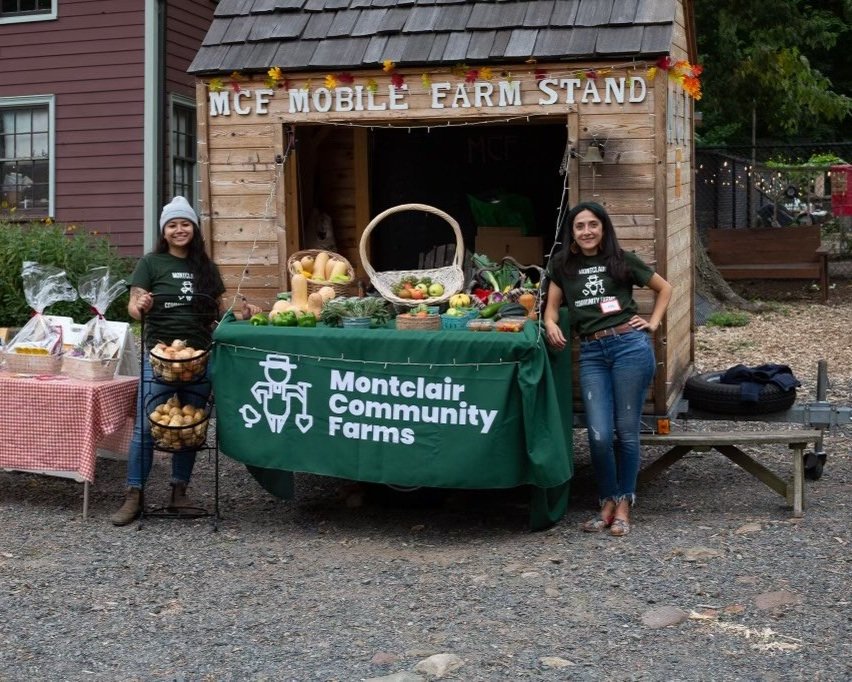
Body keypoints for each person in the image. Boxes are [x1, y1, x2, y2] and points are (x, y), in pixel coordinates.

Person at [111, 196, 261, 526]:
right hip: (160, 355)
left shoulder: (205, 267)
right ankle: (134, 495)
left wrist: (244, 312)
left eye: (185, 223)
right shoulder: (151, 264)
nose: (179, 230)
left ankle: (179, 492)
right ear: (164, 231)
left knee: (192, 427)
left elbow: (220, 311)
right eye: (172, 225)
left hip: (199, 357)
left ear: (194, 228)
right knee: (145, 428)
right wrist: (143, 304)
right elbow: (133, 307)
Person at [543, 201, 672, 537]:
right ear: (571, 232)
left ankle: (622, 504)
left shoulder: (621, 260)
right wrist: (549, 323)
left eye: (593, 225)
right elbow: (552, 307)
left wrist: (653, 323)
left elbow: (665, 288)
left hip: (629, 347)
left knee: (625, 431)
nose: (587, 231)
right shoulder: (563, 265)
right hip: (591, 352)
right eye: (579, 226)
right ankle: (607, 500)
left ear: (603, 228)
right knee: (599, 434)